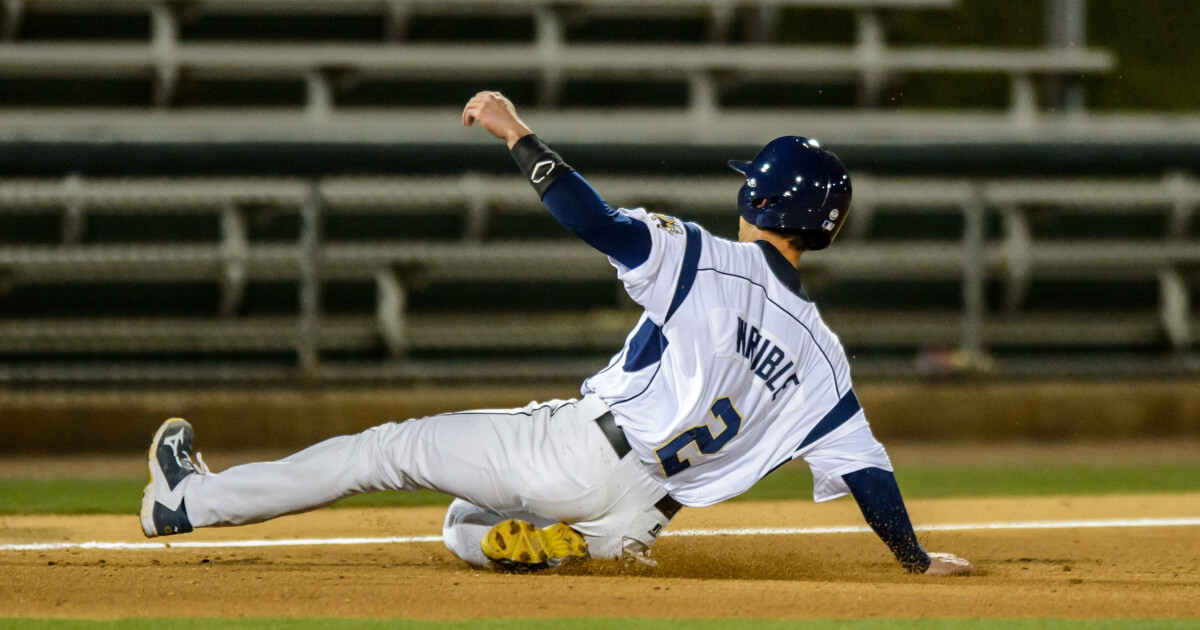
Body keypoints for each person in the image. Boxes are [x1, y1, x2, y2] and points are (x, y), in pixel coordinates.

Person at [139, 91, 972, 576]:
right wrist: (915, 560)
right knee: (464, 524)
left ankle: (186, 503)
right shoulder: (823, 353)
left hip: (578, 451)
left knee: (382, 451)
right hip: (644, 513)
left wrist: (517, 134)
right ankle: (569, 546)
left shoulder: (705, 259)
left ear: (756, 198)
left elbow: (597, 222)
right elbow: (868, 474)